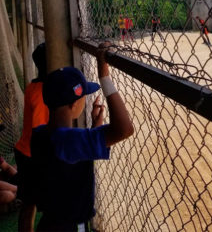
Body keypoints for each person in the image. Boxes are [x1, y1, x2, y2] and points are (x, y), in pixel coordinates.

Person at [30, 43, 134, 232]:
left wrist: (95, 127)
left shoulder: (40, 135)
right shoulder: (69, 141)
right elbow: (124, 129)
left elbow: (70, 159)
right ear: (74, 104)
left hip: (48, 224)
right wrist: (105, 77)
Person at [14, 43, 49, 232]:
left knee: (30, 203)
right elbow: (38, 130)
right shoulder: (42, 92)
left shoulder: (33, 86)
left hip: (27, 151)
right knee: (31, 204)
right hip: (32, 154)